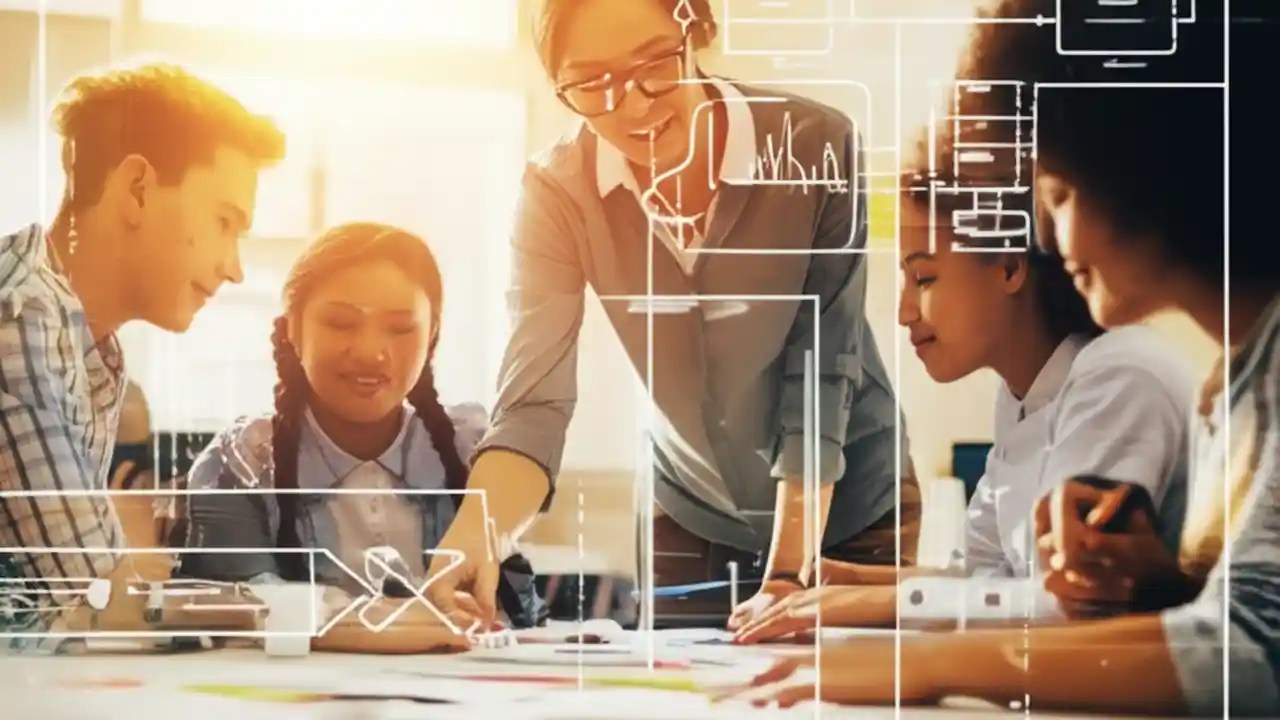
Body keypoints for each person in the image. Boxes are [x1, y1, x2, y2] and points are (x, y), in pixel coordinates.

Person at [724, 0, 1279, 714]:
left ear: (1144, 174)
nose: (1050, 235)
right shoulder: (1233, 383)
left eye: (1060, 193)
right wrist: (1160, 585)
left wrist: (929, 662)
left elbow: (1249, 656)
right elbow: (1230, 618)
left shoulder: (1145, 371)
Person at [427, 0, 918, 630]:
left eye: (655, 63)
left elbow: (821, 371)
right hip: (688, 507)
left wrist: (790, 574)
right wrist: (476, 536)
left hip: (848, 502)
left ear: (699, 30)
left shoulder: (816, 144)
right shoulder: (557, 192)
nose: (633, 104)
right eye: (590, 84)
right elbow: (533, 406)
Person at [733, 155, 1195, 642]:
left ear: (1009, 266)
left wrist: (879, 601)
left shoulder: (1119, 375)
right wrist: (841, 581)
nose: (904, 312)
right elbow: (980, 577)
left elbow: (1075, 601)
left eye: (924, 278)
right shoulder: (1023, 396)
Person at [0, 62, 284, 644]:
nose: (235, 268)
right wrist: (314, 612)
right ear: (137, 189)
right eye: (223, 221)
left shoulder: (92, 352)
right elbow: (98, 605)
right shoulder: (18, 319)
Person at [180, 223, 541, 653]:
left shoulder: (476, 456)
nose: (371, 351)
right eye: (341, 323)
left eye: (401, 328)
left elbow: (520, 617)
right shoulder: (240, 464)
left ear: (433, 337)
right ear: (293, 328)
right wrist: (377, 623)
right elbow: (237, 602)